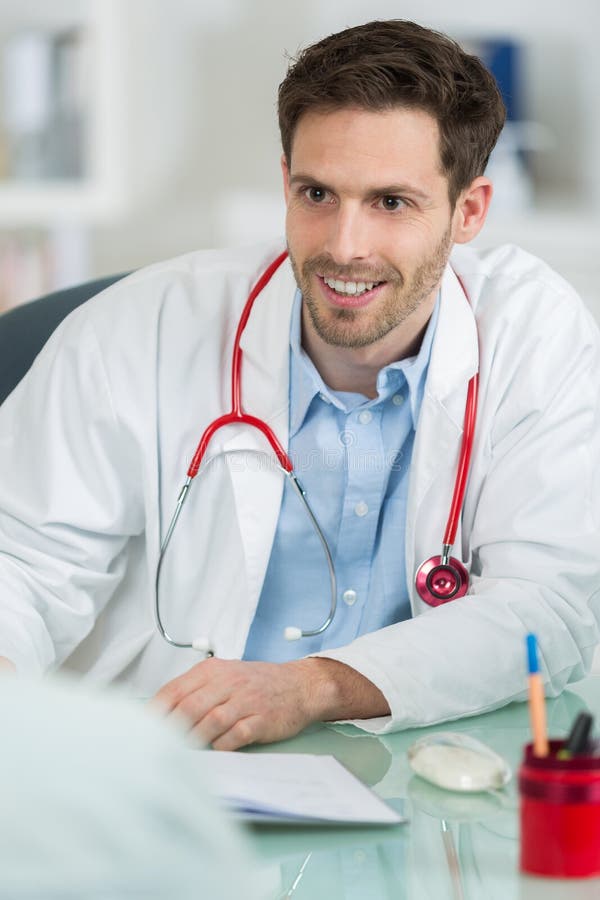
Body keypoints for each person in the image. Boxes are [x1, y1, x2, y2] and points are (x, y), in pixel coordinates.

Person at [0, 20, 598, 751]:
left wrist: (313, 685)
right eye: (318, 193)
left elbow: (552, 607)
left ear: (468, 210)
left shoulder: (534, 335)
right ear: (284, 180)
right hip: (163, 770)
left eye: (391, 203)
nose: (345, 246)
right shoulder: (138, 328)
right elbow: (21, 565)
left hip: (416, 770)